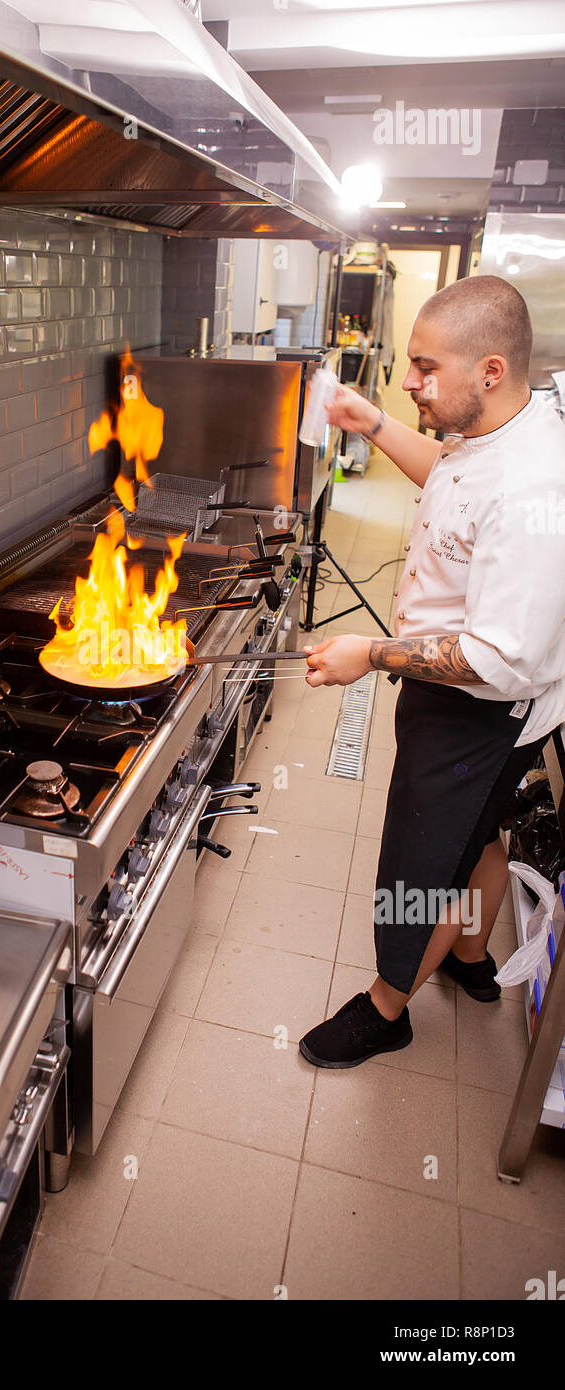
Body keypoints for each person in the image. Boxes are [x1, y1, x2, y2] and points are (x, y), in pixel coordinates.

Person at [298, 274, 565, 1068]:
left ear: (489, 369)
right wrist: (371, 420)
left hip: (479, 711)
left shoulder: (534, 489)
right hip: (463, 702)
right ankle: (470, 954)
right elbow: (450, 479)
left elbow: (495, 659)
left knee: (422, 856)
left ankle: (387, 1007)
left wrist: (369, 655)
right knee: (479, 837)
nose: (408, 380)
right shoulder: (500, 431)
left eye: (424, 367)